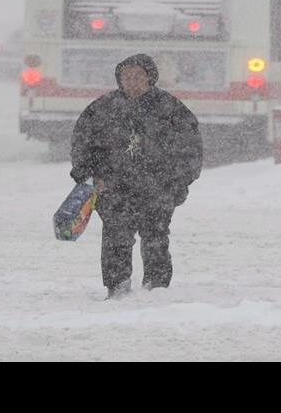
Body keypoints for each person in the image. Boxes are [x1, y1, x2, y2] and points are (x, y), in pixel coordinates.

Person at [70, 54, 203, 299]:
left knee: (156, 237)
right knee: (115, 237)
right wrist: (88, 175)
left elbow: (190, 146)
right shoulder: (102, 108)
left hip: (158, 188)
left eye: (138, 76)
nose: (132, 81)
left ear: (150, 78)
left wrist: (178, 181)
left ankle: (156, 288)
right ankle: (117, 287)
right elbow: (82, 144)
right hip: (113, 188)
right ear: (119, 79)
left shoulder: (170, 108)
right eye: (126, 76)